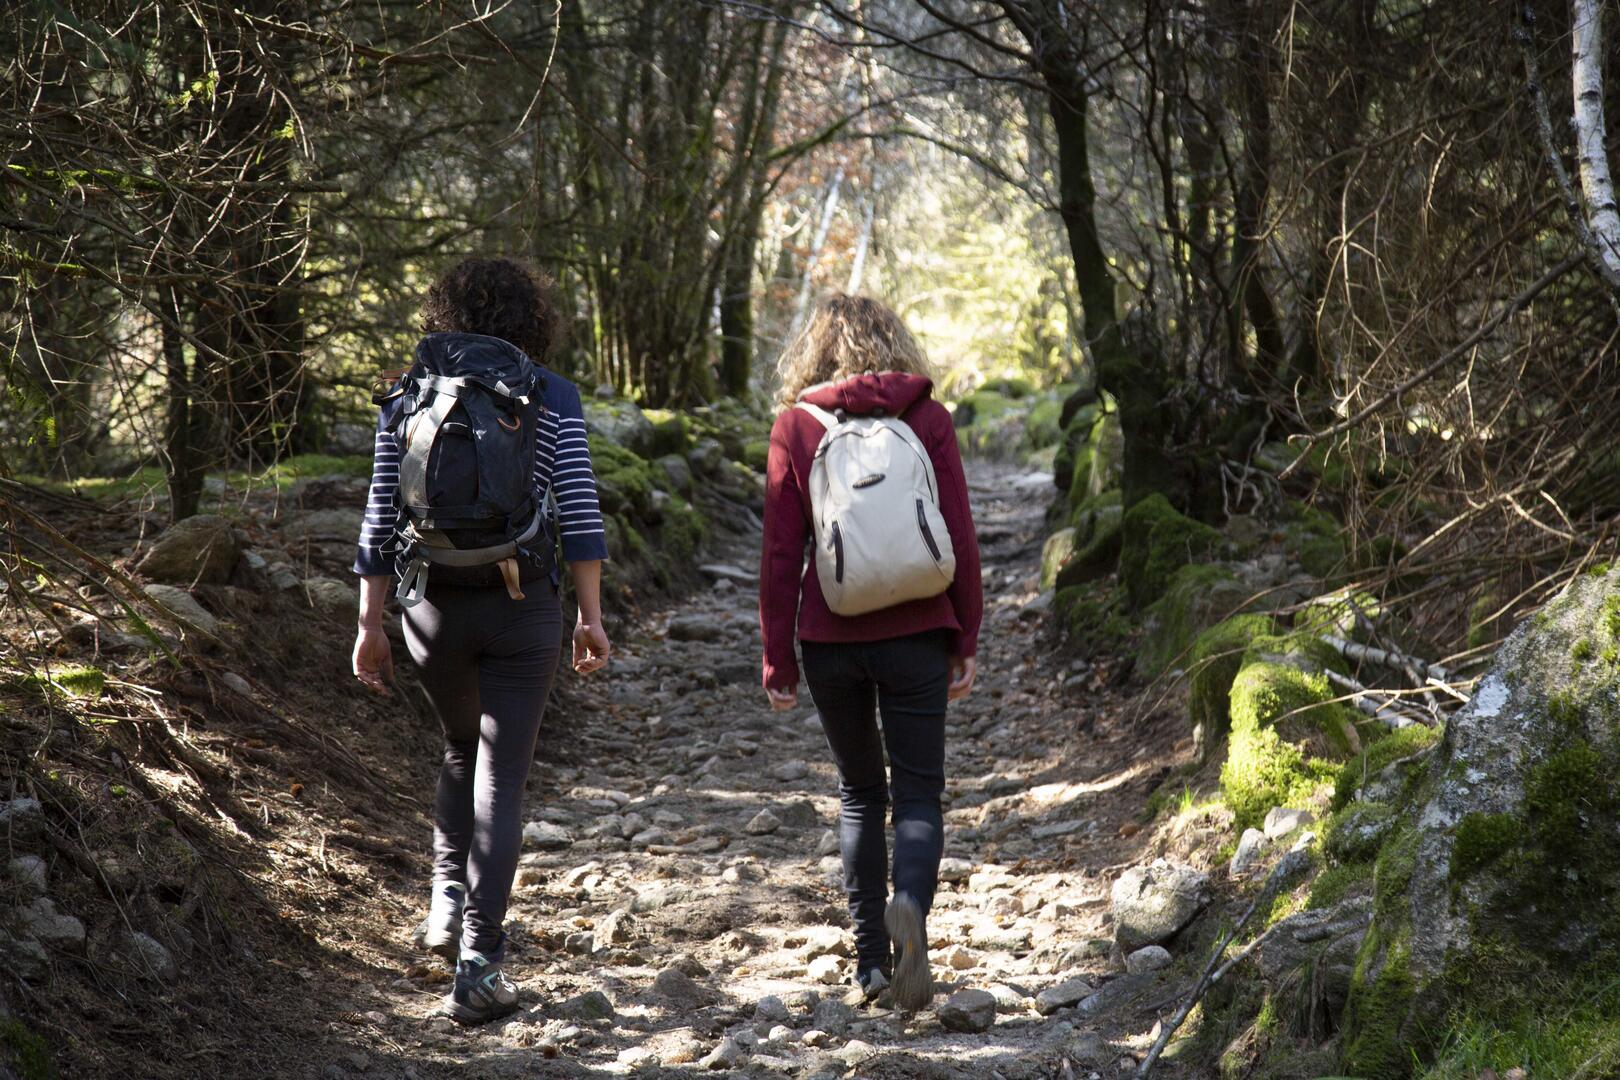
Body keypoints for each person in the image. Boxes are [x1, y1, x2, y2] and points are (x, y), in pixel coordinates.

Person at [350, 257, 611, 1024]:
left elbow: (377, 516)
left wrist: (370, 624)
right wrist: (589, 617)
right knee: (501, 774)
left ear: (443, 313)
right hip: (520, 602)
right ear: (532, 319)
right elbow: (581, 509)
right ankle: (479, 961)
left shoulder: (407, 391)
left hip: (427, 605)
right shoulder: (550, 393)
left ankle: (444, 902)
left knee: (461, 749)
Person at [758, 294, 983, 1010]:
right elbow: (959, 532)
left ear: (814, 353)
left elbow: (779, 554)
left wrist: (777, 658)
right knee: (918, 790)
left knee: (860, 791)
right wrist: (964, 634)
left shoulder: (796, 425)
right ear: (897, 344)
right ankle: (910, 901)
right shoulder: (929, 418)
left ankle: (870, 965)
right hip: (918, 632)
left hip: (831, 639)